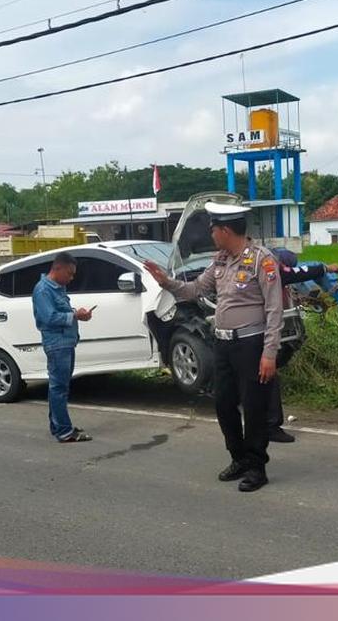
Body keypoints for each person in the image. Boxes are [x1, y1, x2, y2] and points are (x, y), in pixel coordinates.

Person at [143, 203, 283, 492]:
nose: (211, 235)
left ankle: (257, 467)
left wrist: (269, 353)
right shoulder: (219, 260)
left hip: (251, 344)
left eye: (214, 229)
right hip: (223, 343)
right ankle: (239, 457)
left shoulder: (262, 260)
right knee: (223, 404)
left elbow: (274, 310)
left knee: (254, 407)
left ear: (226, 230)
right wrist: (166, 282)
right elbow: (195, 290)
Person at [265, 248, 338, 444]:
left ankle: (263, 426)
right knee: (267, 375)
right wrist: (325, 268)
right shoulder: (269, 266)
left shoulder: (243, 262)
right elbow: (297, 273)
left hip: (253, 329)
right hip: (259, 329)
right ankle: (270, 426)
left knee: (260, 376)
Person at [32, 252, 94, 443]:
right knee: (59, 387)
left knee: (60, 387)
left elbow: (62, 312)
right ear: (57, 268)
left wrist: (77, 313)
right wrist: (75, 316)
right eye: (69, 273)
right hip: (57, 344)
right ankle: (65, 431)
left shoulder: (58, 288)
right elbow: (48, 317)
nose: (71, 278)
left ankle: (58, 425)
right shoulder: (43, 290)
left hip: (66, 342)